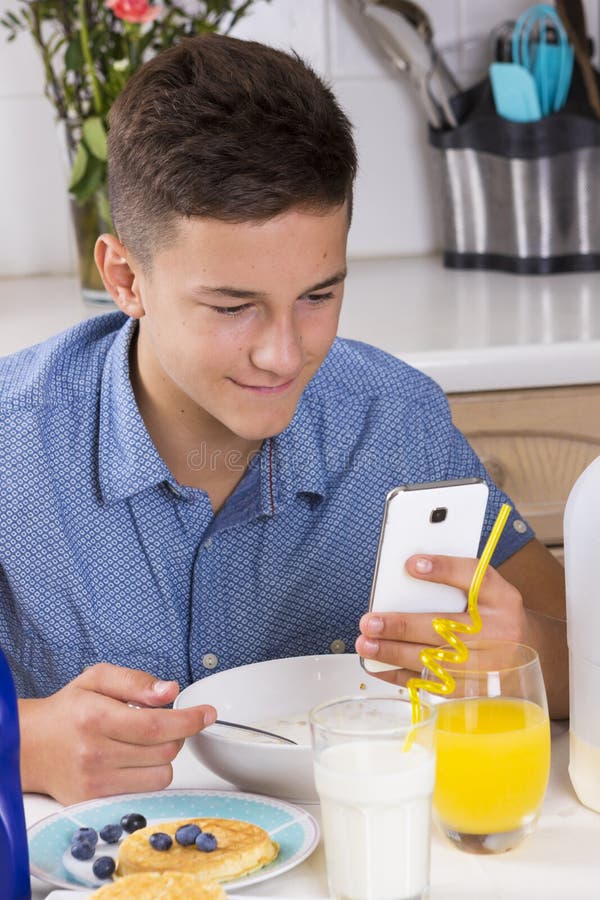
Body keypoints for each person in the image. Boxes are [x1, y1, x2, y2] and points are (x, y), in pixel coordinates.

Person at [0, 34, 566, 805]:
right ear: (125, 277)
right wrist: (21, 743)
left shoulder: (396, 421)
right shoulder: (15, 438)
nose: (282, 353)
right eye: (233, 307)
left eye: (318, 295)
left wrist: (523, 656)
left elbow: (575, 653)